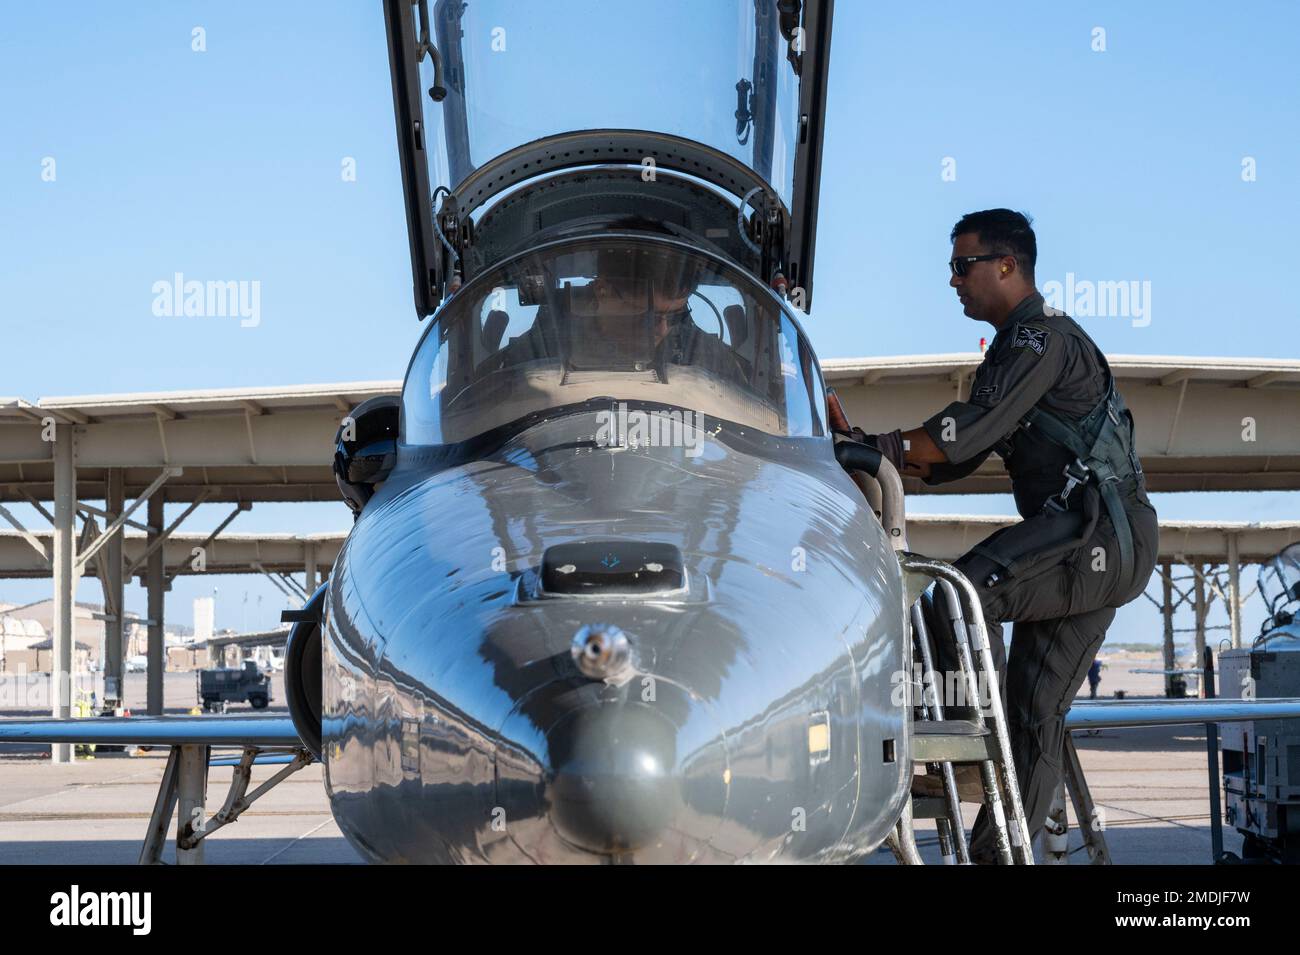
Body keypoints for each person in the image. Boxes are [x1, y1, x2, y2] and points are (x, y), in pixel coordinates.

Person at [858, 209, 1159, 862]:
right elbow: (956, 456)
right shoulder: (1020, 345)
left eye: (962, 266)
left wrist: (864, 446)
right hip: (1107, 543)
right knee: (1032, 712)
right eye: (951, 269)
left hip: (1093, 533)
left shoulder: (1036, 339)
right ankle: (1001, 854)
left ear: (1005, 266)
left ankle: (956, 745)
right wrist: (869, 447)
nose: (953, 281)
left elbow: (962, 435)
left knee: (958, 592)